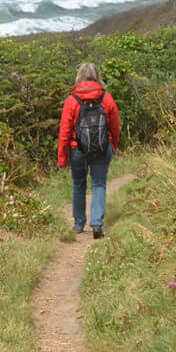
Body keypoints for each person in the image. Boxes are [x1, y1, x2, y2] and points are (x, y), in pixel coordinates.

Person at [57, 63, 120, 238]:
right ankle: (97, 224)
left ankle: (78, 224)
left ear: (79, 77)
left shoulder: (72, 99)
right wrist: (112, 144)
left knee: (79, 184)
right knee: (99, 183)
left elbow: (65, 131)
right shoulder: (106, 97)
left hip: (77, 149)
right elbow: (115, 125)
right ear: (97, 76)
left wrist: (62, 158)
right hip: (102, 147)